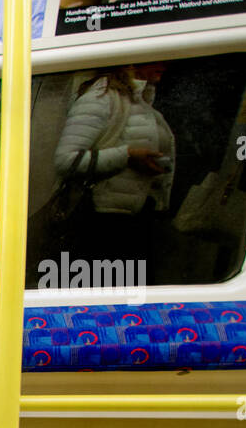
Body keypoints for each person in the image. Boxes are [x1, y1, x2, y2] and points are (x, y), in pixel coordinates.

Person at [50, 63, 175, 279]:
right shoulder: (102, 96)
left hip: (133, 218)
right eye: (158, 57)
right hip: (103, 223)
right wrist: (126, 157)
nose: (166, 64)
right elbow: (66, 160)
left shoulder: (139, 99)